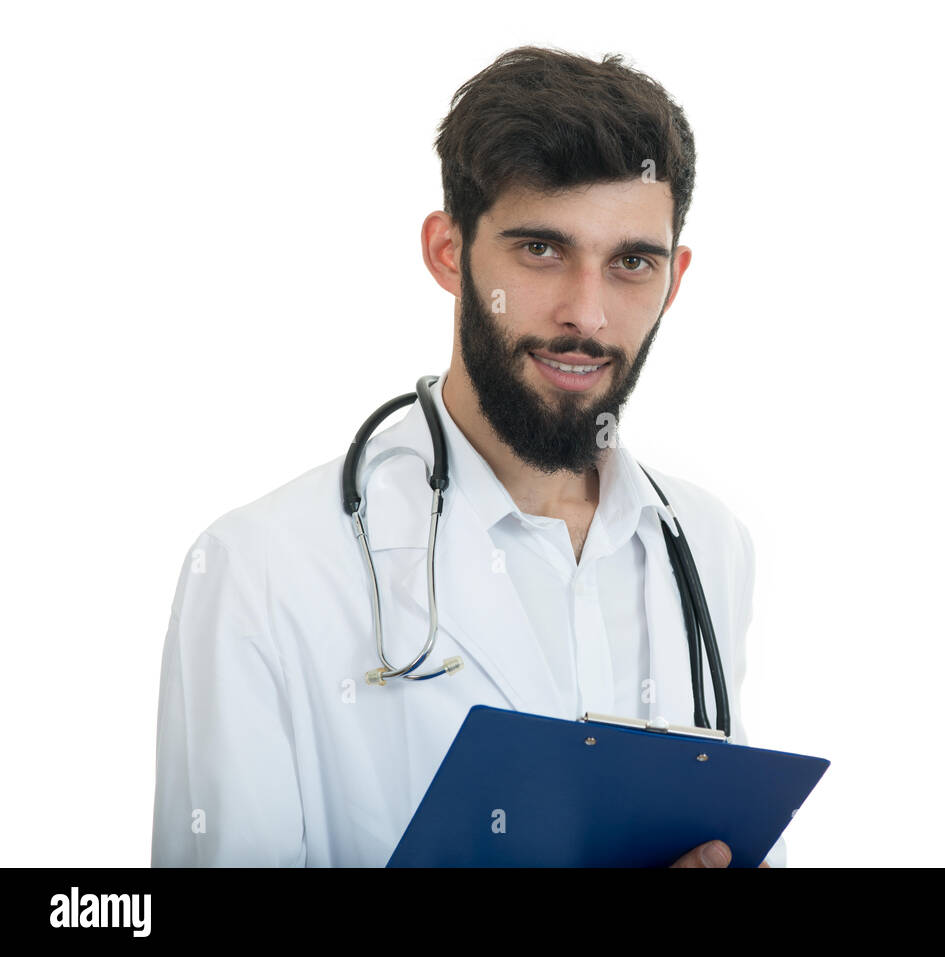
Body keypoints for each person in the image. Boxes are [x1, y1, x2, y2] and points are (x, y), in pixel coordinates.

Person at [151, 45, 785, 868]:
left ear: (674, 278)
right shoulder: (261, 571)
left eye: (632, 261)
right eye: (541, 250)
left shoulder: (705, 544)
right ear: (449, 251)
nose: (587, 314)